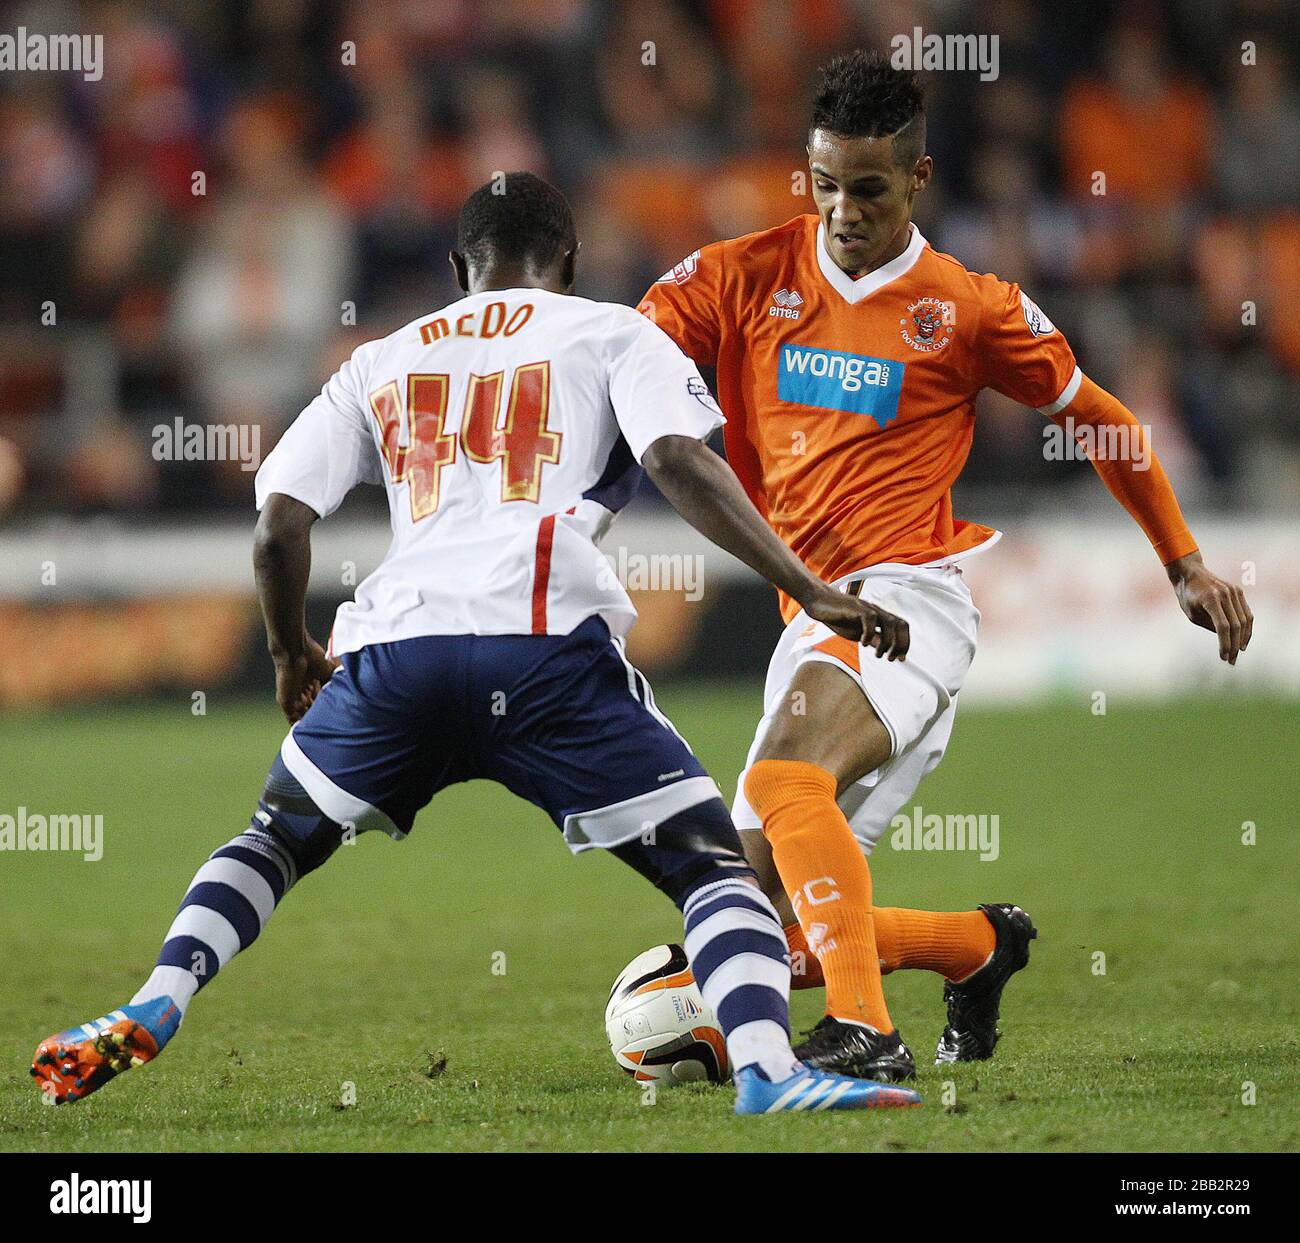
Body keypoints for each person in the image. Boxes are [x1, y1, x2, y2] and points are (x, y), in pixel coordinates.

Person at [31, 172, 922, 1115]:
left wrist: (293, 653)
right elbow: (674, 457)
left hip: (394, 653)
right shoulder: (614, 330)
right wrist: (809, 587)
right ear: (568, 264)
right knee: (710, 867)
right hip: (539, 651)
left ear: (461, 268)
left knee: (272, 840)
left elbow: (278, 524)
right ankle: (767, 1072)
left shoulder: (381, 357)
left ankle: (153, 1003)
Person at [638, 52, 1253, 1081]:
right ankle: (978, 944)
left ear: (917, 181)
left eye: (868, 190)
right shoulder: (741, 275)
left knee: (788, 779)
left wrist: (1183, 560)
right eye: (824, 185)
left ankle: (868, 1035)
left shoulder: (965, 308)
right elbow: (621, 357)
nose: (842, 211)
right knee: (750, 933)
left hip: (905, 604)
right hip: (815, 621)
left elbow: (1099, 421)